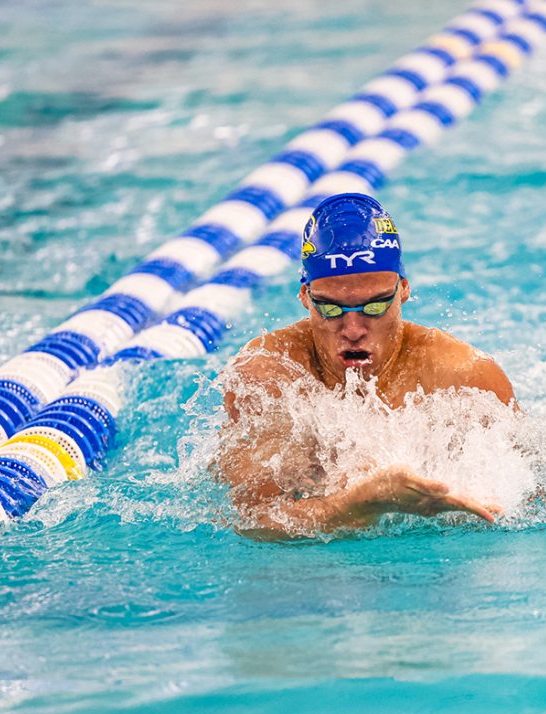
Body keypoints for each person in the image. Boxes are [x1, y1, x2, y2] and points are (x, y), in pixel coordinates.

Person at [216, 192, 518, 539]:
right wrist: (363, 503)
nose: (354, 330)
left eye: (374, 307)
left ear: (403, 290)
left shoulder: (464, 375)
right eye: (330, 309)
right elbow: (257, 522)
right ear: (304, 296)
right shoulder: (270, 375)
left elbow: (528, 508)